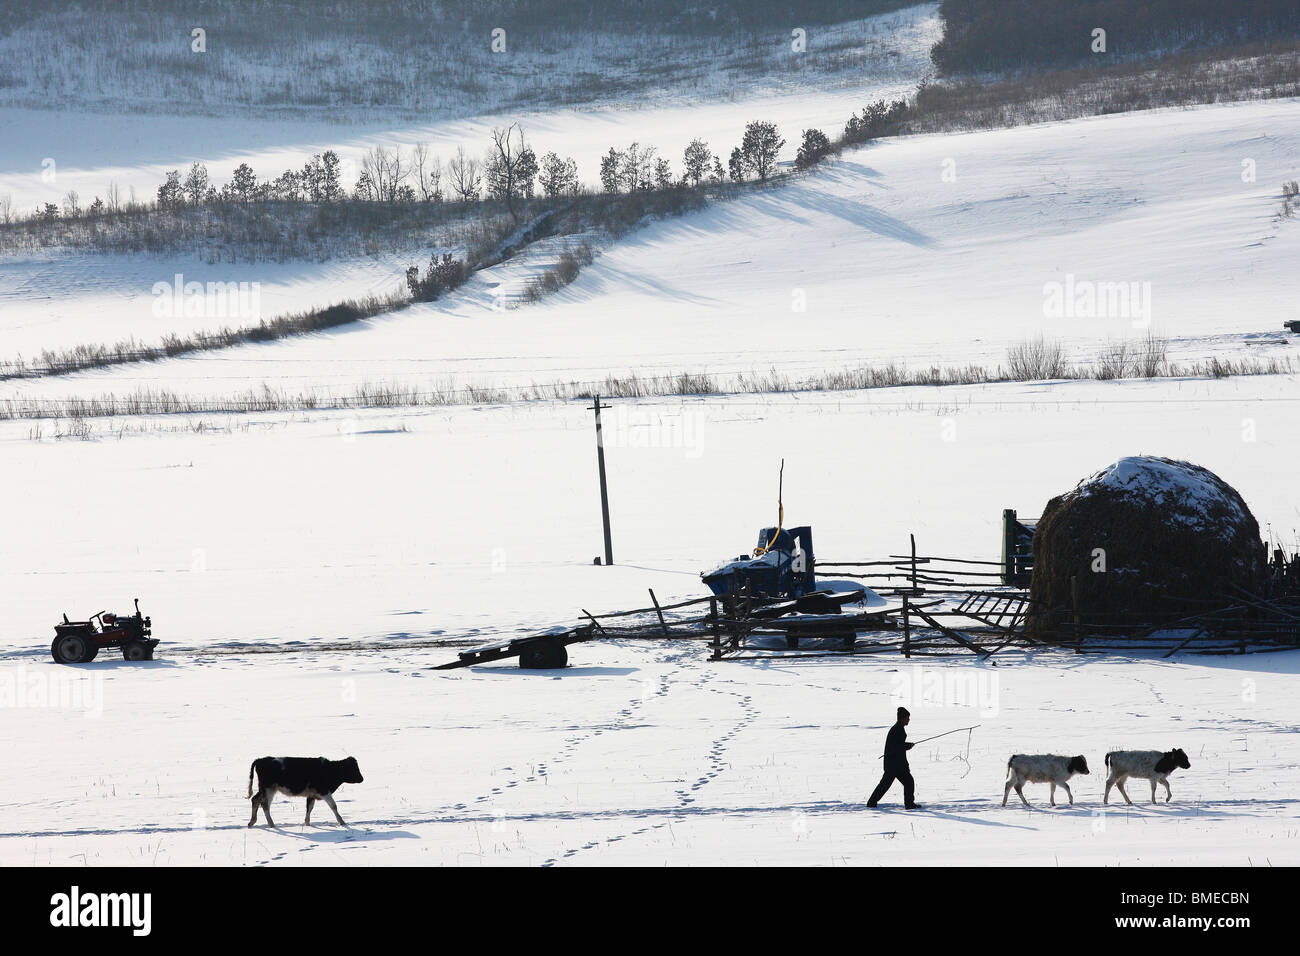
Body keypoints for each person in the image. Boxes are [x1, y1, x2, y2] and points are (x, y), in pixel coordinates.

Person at [867, 706, 921, 809]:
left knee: (904, 782)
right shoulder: (898, 730)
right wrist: (908, 746)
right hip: (894, 765)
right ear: (902, 718)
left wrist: (906, 746)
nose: (909, 720)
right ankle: (908, 804)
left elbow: (898, 745)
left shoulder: (898, 728)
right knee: (890, 784)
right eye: (907, 718)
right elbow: (897, 746)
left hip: (895, 764)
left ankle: (909, 804)